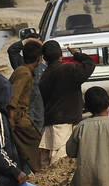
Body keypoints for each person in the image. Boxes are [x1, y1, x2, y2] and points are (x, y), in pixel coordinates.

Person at [38, 39, 96, 167]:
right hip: (66, 123)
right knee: (62, 162)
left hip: (54, 124)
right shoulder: (69, 69)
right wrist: (76, 54)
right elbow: (90, 63)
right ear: (61, 55)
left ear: (44, 59)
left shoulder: (44, 76)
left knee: (53, 161)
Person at [9, 39, 46, 173]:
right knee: (35, 149)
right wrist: (12, 118)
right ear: (39, 59)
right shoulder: (24, 73)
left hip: (29, 117)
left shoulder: (23, 70)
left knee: (24, 151)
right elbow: (14, 97)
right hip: (21, 119)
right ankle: (39, 176)